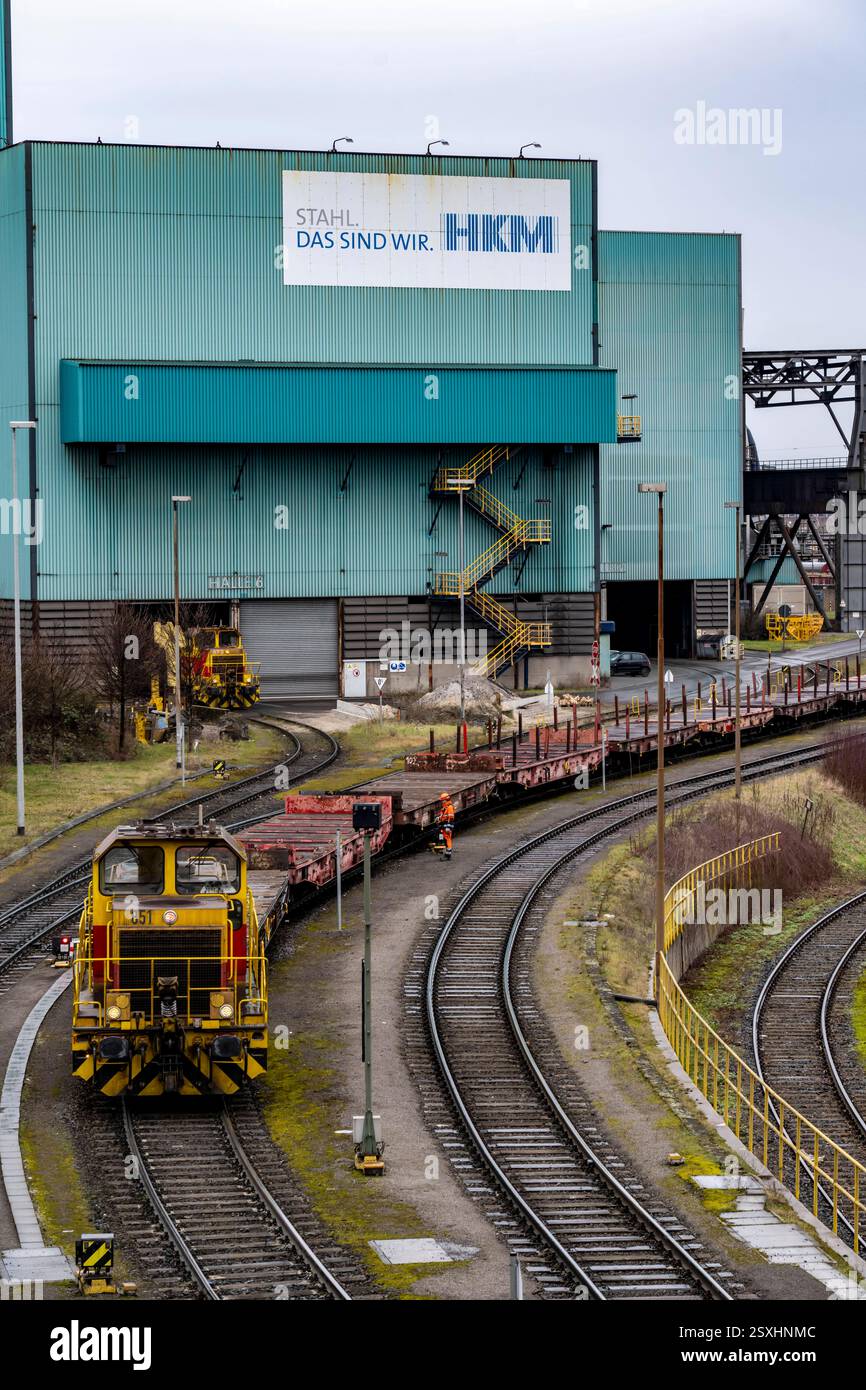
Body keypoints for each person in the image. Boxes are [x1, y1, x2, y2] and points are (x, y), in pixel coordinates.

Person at [437, 791, 455, 860]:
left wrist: (448, 827)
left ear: (445, 800)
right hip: (444, 825)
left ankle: (448, 855)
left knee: (447, 840)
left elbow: (451, 817)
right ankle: (447, 854)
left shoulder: (449, 807)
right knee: (445, 839)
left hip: (447, 826)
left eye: (442, 800)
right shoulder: (445, 807)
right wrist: (438, 818)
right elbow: (444, 816)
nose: (441, 802)